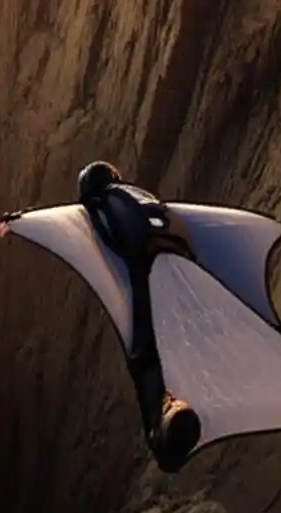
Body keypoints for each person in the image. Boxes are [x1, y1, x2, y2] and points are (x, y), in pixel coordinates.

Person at [75, 161, 201, 470]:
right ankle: (177, 408)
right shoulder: (141, 195)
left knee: (144, 355)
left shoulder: (102, 200)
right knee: (172, 342)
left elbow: (100, 231)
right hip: (180, 262)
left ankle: (163, 427)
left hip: (148, 265)